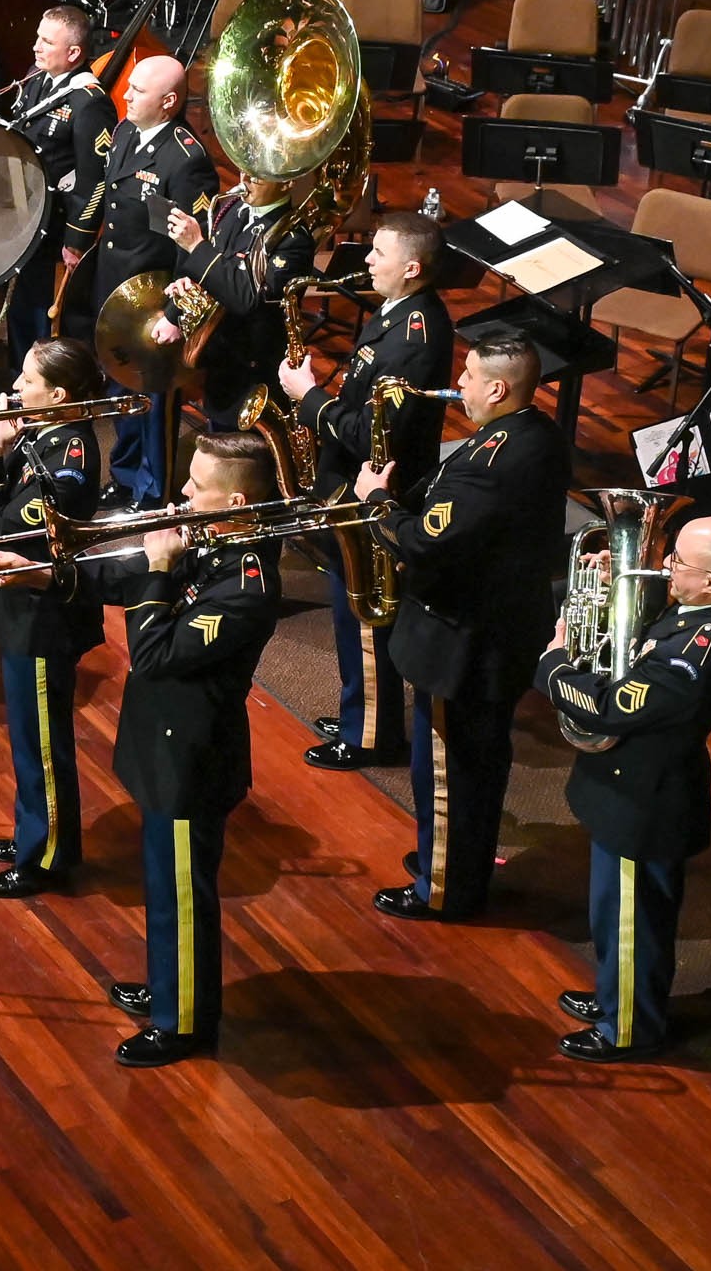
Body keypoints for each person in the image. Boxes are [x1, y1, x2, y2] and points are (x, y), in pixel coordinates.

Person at [47, 432, 283, 1067]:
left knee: (181, 894)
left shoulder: (248, 583)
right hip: (164, 745)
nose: (181, 494)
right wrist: (50, 571)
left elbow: (153, 655)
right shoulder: (214, 541)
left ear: (233, 498)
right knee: (161, 886)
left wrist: (156, 569)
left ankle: (181, 1023)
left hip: (192, 759)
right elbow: (128, 575)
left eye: (195, 485)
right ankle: (166, 987)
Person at [354, 334, 569, 922]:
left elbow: (425, 543)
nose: (459, 385)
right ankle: (445, 857)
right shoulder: (536, 433)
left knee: (450, 772)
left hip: (464, 643)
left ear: (499, 389)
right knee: (474, 765)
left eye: (469, 376)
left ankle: (444, 886)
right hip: (499, 627)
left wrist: (378, 502)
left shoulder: (489, 467)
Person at [534, 516, 711, 1062]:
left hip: (645, 801)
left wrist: (554, 664)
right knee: (612, 916)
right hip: (630, 790)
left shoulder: (697, 653)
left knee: (632, 924)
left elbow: (612, 707)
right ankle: (619, 997)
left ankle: (630, 1027)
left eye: (679, 561)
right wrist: (617, 581)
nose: (666, 566)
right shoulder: (701, 610)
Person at [280, 211, 453, 768]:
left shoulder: (414, 339)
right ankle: (362, 713)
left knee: (364, 616)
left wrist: (309, 397)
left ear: (412, 266)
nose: (368, 261)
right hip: (351, 484)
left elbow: (375, 434)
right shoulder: (397, 313)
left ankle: (371, 735)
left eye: (379, 254)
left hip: (377, 490)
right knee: (348, 612)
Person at [0, 339, 107, 896]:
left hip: (44, 619)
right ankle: (35, 829)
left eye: (27, 381)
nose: (15, 388)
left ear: (59, 394)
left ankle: (45, 856)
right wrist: (2, 454)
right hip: (23, 612)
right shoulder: (46, 439)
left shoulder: (67, 461)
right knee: (28, 739)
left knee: (42, 745)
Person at [58, 56, 218, 507]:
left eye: (138, 91)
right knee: (119, 389)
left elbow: (194, 245)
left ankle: (155, 493)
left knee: (153, 405)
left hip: (154, 302)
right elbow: (107, 197)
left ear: (168, 102)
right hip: (115, 291)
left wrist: (174, 314)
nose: (125, 95)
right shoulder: (127, 131)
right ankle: (126, 477)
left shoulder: (186, 160)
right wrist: (79, 240)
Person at [163, 167, 318, 429]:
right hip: (221, 356)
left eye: (255, 176)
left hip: (253, 370)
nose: (244, 181)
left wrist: (196, 247)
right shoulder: (233, 209)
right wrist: (183, 293)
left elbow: (247, 299)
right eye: (243, 171)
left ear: (286, 182)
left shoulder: (294, 239)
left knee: (240, 458)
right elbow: (212, 273)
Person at [4, 6, 115, 360]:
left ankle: (44, 389)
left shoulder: (89, 103)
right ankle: (20, 377)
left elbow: (94, 178)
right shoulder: (35, 81)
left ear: (73, 53)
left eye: (47, 41)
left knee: (45, 317)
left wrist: (77, 239)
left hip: (56, 228)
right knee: (21, 306)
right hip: (26, 216)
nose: (36, 46)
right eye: (38, 37)